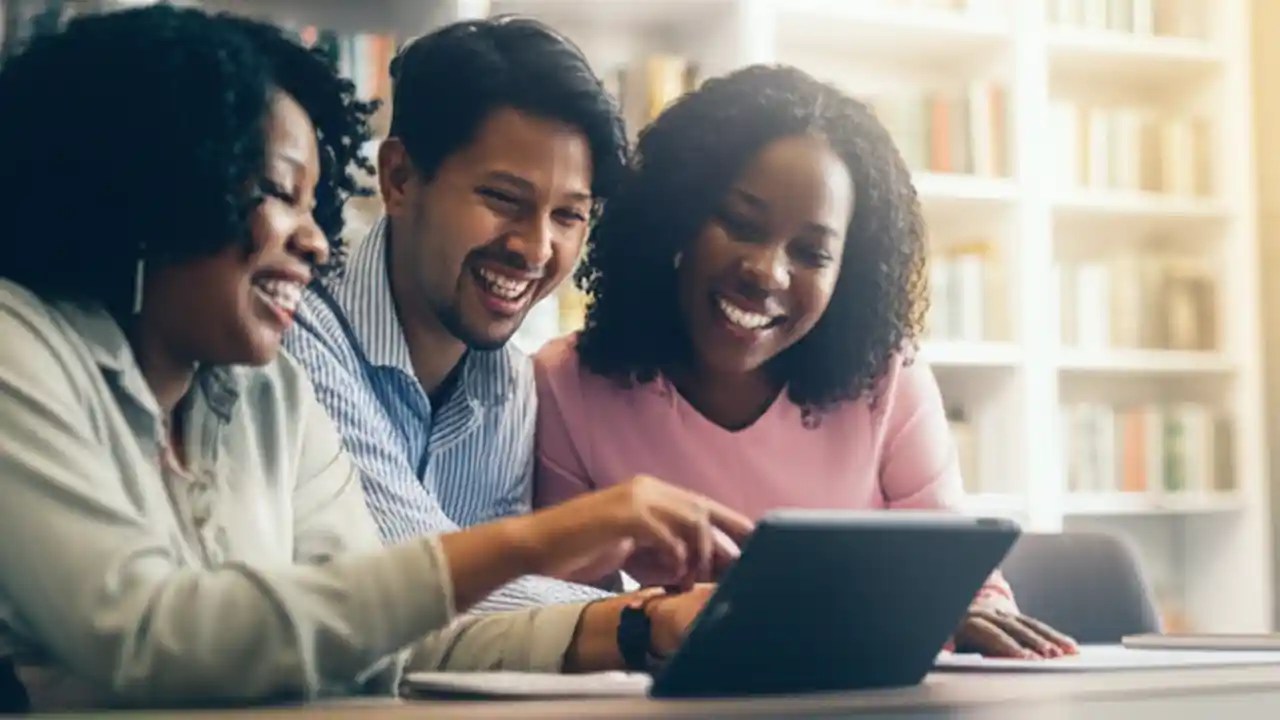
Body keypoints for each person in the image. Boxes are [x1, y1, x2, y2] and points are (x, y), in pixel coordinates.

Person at [0, 6, 750, 711]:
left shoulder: (267, 394)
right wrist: (541, 541)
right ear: (159, 186)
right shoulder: (18, 353)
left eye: (313, 204)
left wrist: (640, 626)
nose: (316, 240)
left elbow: (399, 638)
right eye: (277, 196)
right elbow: (147, 636)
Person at [533, 64, 1078, 660]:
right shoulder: (567, 386)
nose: (768, 272)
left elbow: (956, 573)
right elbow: (563, 617)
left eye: (812, 252)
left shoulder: (887, 377)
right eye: (741, 225)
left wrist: (974, 610)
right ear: (676, 216)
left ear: (848, 274)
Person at [284, 16, 699, 612]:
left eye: (568, 216)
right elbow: (413, 582)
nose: (535, 248)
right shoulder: (301, 333)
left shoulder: (510, 383)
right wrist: (653, 618)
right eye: (503, 199)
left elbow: (491, 601)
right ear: (399, 178)